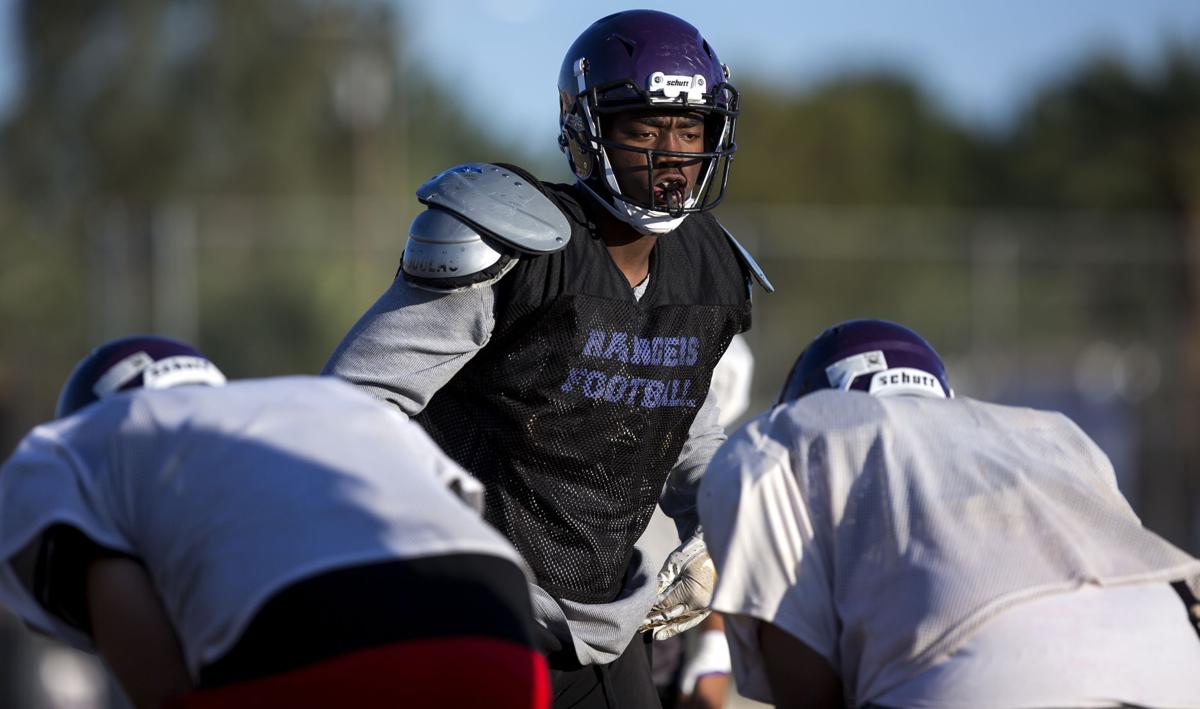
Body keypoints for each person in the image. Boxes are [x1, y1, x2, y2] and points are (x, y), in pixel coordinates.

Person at [324, 9, 771, 708]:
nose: (672, 153)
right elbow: (351, 406)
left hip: (611, 627)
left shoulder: (704, 270)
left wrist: (717, 528)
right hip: (467, 621)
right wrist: (441, 537)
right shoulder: (517, 249)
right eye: (644, 127)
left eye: (690, 129)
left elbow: (691, 433)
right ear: (588, 131)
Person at [0, 336, 549, 709]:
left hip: (310, 639)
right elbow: (453, 512)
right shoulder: (333, 404)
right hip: (499, 631)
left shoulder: (85, 442)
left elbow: (128, 626)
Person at [699, 320, 1200, 709]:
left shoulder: (788, 440)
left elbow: (807, 691)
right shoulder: (1046, 435)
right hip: (1178, 661)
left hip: (982, 681)